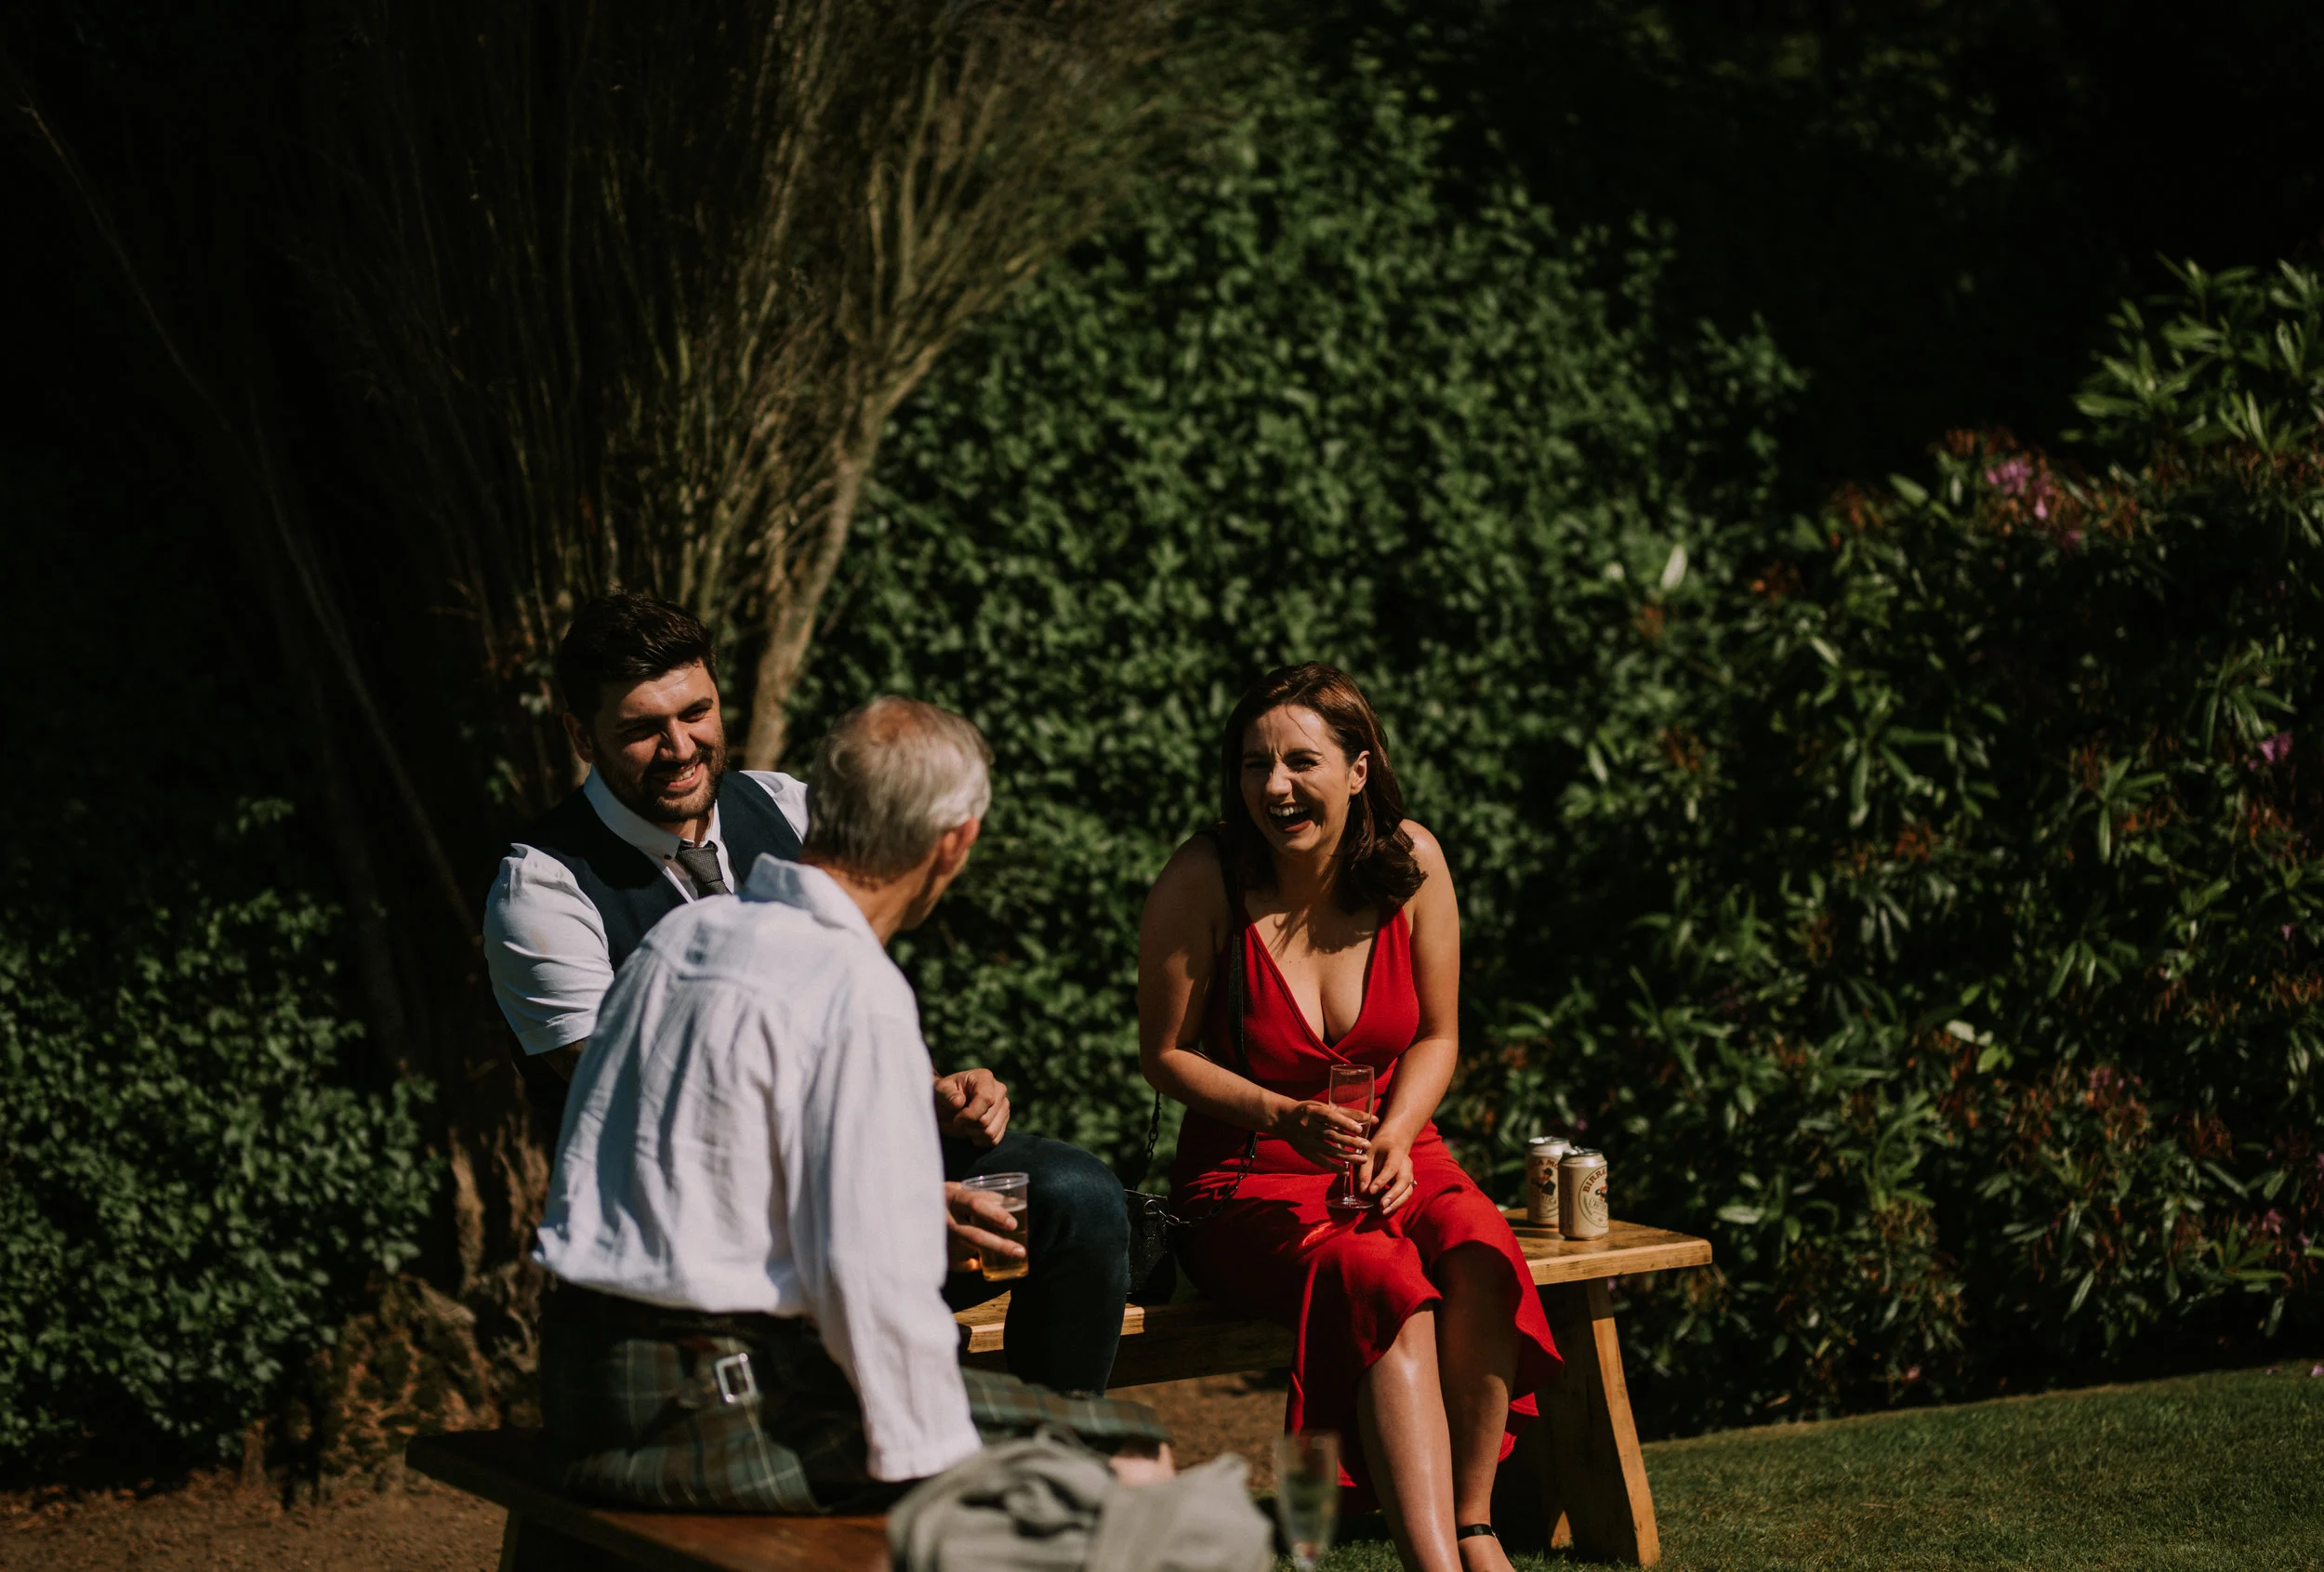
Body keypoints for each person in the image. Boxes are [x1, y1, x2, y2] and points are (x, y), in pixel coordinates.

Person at [535, 698, 1172, 1513]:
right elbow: (867, 1289)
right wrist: (941, 1466)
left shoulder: (681, 941)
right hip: (712, 1407)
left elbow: (706, 1188)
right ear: (955, 844)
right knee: (1123, 1449)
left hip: (582, 1390)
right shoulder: (851, 985)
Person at [482, 593, 1131, 1393]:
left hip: (865, 1175)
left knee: (1081, 1197)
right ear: (581, 734)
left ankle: (1052, 1467)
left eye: (697, 711)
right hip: (703, 1245)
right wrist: (878, 1196)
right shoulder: (544, 891)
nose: (680, 746)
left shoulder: (786, 806)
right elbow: (652, 1122)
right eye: (642, 727)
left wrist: (926, 1099)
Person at [1138, 664, 1561, 1572]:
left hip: (1396, 1143)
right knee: (1375, 1271)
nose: (1274, 786)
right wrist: (1281, 1112)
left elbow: (1441, 1034)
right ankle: (1432, 1561)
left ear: (1359, 768)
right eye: (1254, 765)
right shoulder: (1203, 874)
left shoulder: (1414, 860)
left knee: (1480, 1245)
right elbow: (1164, 1054)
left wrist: (1401, 1130)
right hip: (1250, 1170)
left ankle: (1476, 1521)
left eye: (1299, 761)